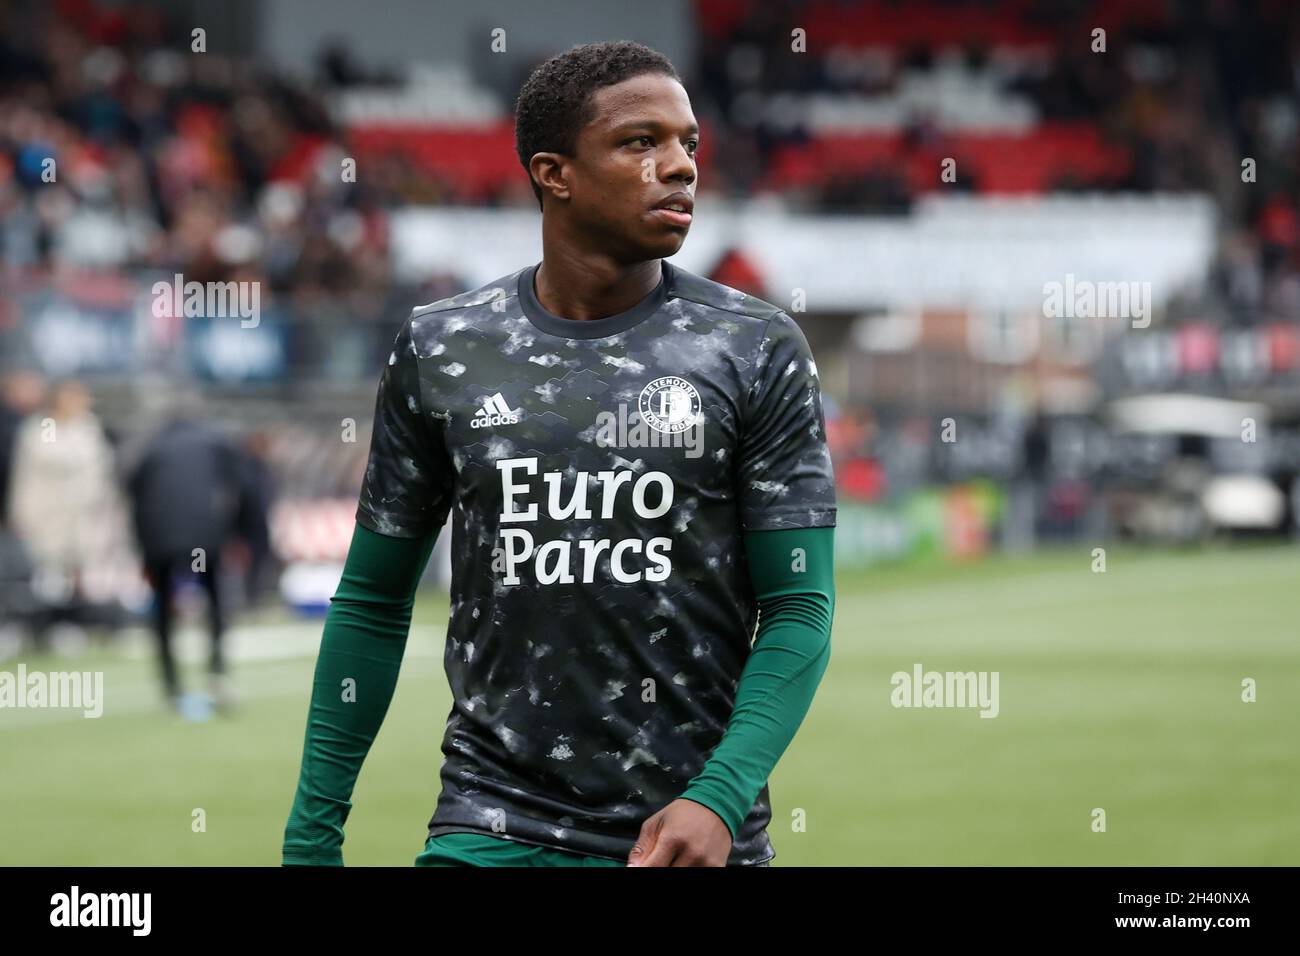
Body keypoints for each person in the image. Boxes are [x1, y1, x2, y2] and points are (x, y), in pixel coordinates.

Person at [282, 41, 837, 868]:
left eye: (687, 143)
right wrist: (311, 841)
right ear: (555, 172)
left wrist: (719, 798)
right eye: (640, 142)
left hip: (688, 840)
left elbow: (799, 609)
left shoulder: (754, 349)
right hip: (487, 829)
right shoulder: (445, 348)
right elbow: (370, 601)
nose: (679, 166)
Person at [126, 406, 245, 713]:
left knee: (163, 609)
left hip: (160, 541)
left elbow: (133, 495)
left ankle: (170, 685)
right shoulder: (214, 443)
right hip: (204, 538)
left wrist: (141, 546)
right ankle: (217, 674)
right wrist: (234, 532)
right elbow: (242, 487)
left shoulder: (151, 449)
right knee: (215, 601)